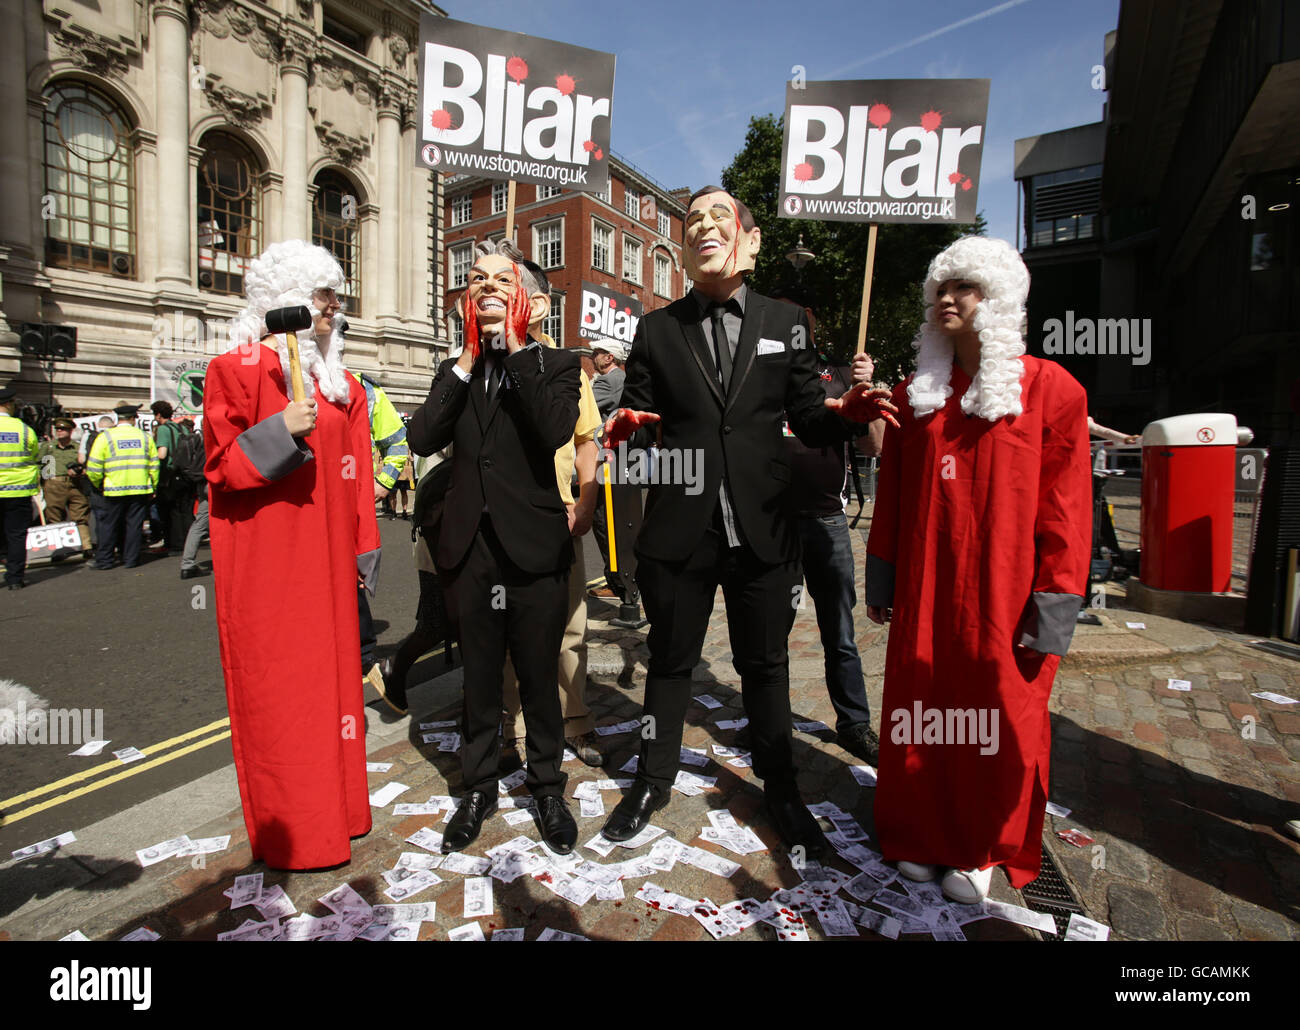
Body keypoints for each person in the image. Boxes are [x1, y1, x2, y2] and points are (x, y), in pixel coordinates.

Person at [598, 186, 897, 854]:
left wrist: (844, 413)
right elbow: (641, 423)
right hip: (680, 531)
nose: (702, 226)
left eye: (718, 217)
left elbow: (809, 417)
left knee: (765, 667)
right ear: (682, 248)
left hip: (765, 529)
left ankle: (782, 791)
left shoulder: (785, 322)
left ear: (752, 242)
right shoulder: (656, 328)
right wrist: (627, 439)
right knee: (670, 663)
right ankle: (651, 780)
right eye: (691, 220)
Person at [864, 236, 1091, 904]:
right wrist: (884, 577)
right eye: (941, 287)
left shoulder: (1052, 391)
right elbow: (895, 496)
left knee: (996, 716)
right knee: (922, 711)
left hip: (1004, 598)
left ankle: (979, 845)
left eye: (964, 286)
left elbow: (1067, 511)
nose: (946, 299)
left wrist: (1053, 607)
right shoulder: (915, 398)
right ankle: (920, 833)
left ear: (998, 299)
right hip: (929, 594)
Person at [203, 239, 380, 870]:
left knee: (336, 694)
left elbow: (358, 478)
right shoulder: (236, 369)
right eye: (322, 296)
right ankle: (300, 834)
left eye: (336, 295)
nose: (335, 307)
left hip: (330, 568)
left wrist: (365, 550)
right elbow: (221, 468)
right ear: (289, 305)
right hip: (273, 567)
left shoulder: (344, 386)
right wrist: (280, 432)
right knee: (288, 697)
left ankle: (343, 812)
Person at [406, 238, 581, 856]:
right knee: (478, 678)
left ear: (525, 300)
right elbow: (424, 438)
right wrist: (464, 358)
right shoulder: (456, 370)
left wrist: (514, 346)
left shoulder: (554, 364)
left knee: (537, 676)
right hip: (469, 551)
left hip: (531, 547)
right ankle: (477, 788)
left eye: (498, 281)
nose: (483, 287)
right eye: (475, 279)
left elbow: (556, 429)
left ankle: (548, 788)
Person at [770, 284, 884, 766]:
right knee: (769, 631)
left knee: (838, 630)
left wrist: (866, 393)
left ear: (811, 321)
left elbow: (873, 447)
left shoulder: (838, 374)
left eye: (798, 315)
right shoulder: (760, 375)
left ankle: (855, 723)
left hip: (827, 522)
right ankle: (770, 722)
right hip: (771, 523)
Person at [501, 256, 605, 770]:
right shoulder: (477, 362)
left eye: (510, 287)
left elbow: (587, 441)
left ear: (538, 305)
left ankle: (575, 721)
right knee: (505, 630)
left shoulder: (566, 367)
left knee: (570, 626)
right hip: (500, 519)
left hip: (559, 515)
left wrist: (585, 504)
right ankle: (509, 726)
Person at [347, 360, 408, 709]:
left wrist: (383, 483)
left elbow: (397, 441)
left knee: (350, 577)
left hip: (351, 507)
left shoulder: (361, 387)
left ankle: (363, 659)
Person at [85, 403, 158, 570]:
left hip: (113, 489)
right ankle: (131, 559)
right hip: (139, 489)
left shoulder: (105, 437)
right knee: (134, 526)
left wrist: (99, 484)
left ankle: (105, 560)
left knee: (108, 525)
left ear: (118, 419)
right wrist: (153, 486)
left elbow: (94, 467)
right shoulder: (145, 437)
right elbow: (154, 465)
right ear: (133, 419)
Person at [590, 341, 628, 600]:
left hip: (606, 459)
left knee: (603, 520)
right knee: (620, 520)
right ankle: (624, 577)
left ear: (609, 357)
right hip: (622, 459)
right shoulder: (623, 379)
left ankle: (617, 582)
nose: (592, 357)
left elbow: (585, 410)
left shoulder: (607, 382)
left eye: (596, 353)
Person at [0, 386, 40, 590]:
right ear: (8, 404)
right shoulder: (24, 429)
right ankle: (15, 579)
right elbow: (34, 456)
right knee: (16, 536)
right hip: (18, 491)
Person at [39, 417, 93, 556]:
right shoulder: (48, 447)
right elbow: (42, 465)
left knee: (80, 515)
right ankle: (59, 549)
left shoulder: (77, 447)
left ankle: (86, 546)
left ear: (71, 431)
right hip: (54, 483)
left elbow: (86, 465)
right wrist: (44, 482)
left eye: (63, 429)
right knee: (55, 517)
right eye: (58, 429)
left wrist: (79, 471)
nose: (60, 431)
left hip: (75, 484)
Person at [151, 400, 197, 553]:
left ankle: (175, 544)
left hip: (171, 475)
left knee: (171, 512)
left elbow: (162, 454)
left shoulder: (163, 429)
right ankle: (189, 543)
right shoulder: (182, 428)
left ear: (158, 415)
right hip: (187, 474)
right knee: (186, 511)